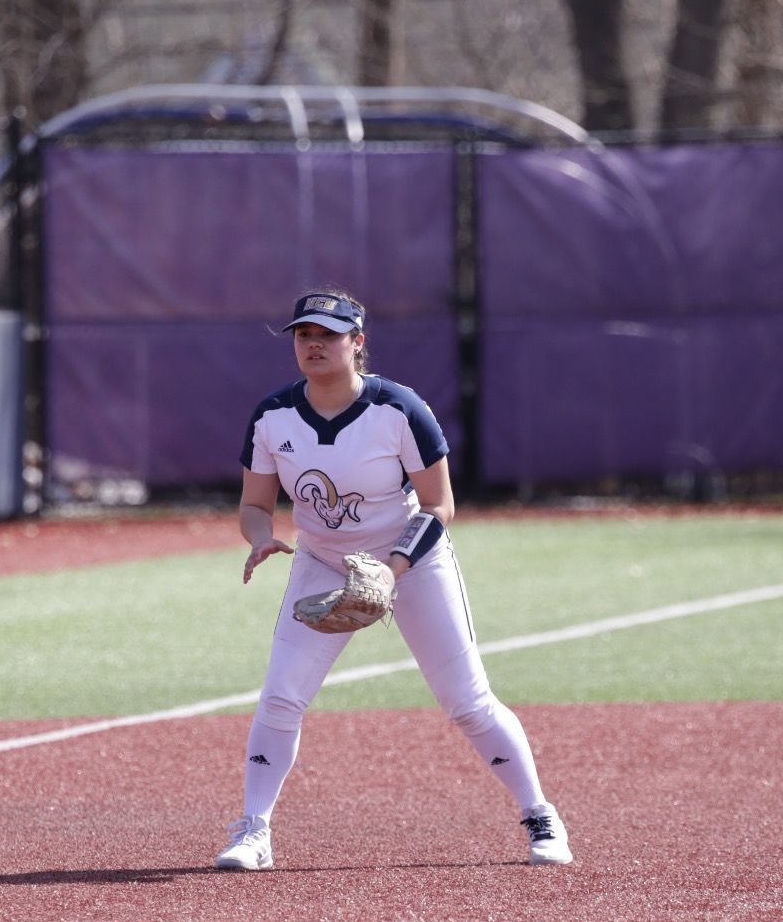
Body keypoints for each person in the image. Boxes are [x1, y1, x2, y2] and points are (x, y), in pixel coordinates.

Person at [217, 288, 571, 871]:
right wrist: (259, 537)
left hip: (410, 557)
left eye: (328, 335)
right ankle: (253, 830)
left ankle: (539, 814)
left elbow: (438, 506)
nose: (313, 345)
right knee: (281, 696)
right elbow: (256, 504)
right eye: (304, 335)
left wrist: (392, 569)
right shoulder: (273, 415)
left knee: (467, 702)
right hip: (324, 560)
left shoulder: (400, 409)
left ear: (357, 343)